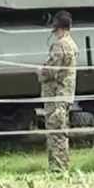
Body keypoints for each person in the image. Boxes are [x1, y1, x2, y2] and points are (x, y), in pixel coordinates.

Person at [37, 11, 78, 173]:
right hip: (65, 95)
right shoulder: (72, 44)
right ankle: (62, 166)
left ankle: (57, 169)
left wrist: (40, 71)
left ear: (58, 27)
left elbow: (51, 71)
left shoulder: (60, 45)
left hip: (56, 95)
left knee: (55, 132)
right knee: (61, 130)